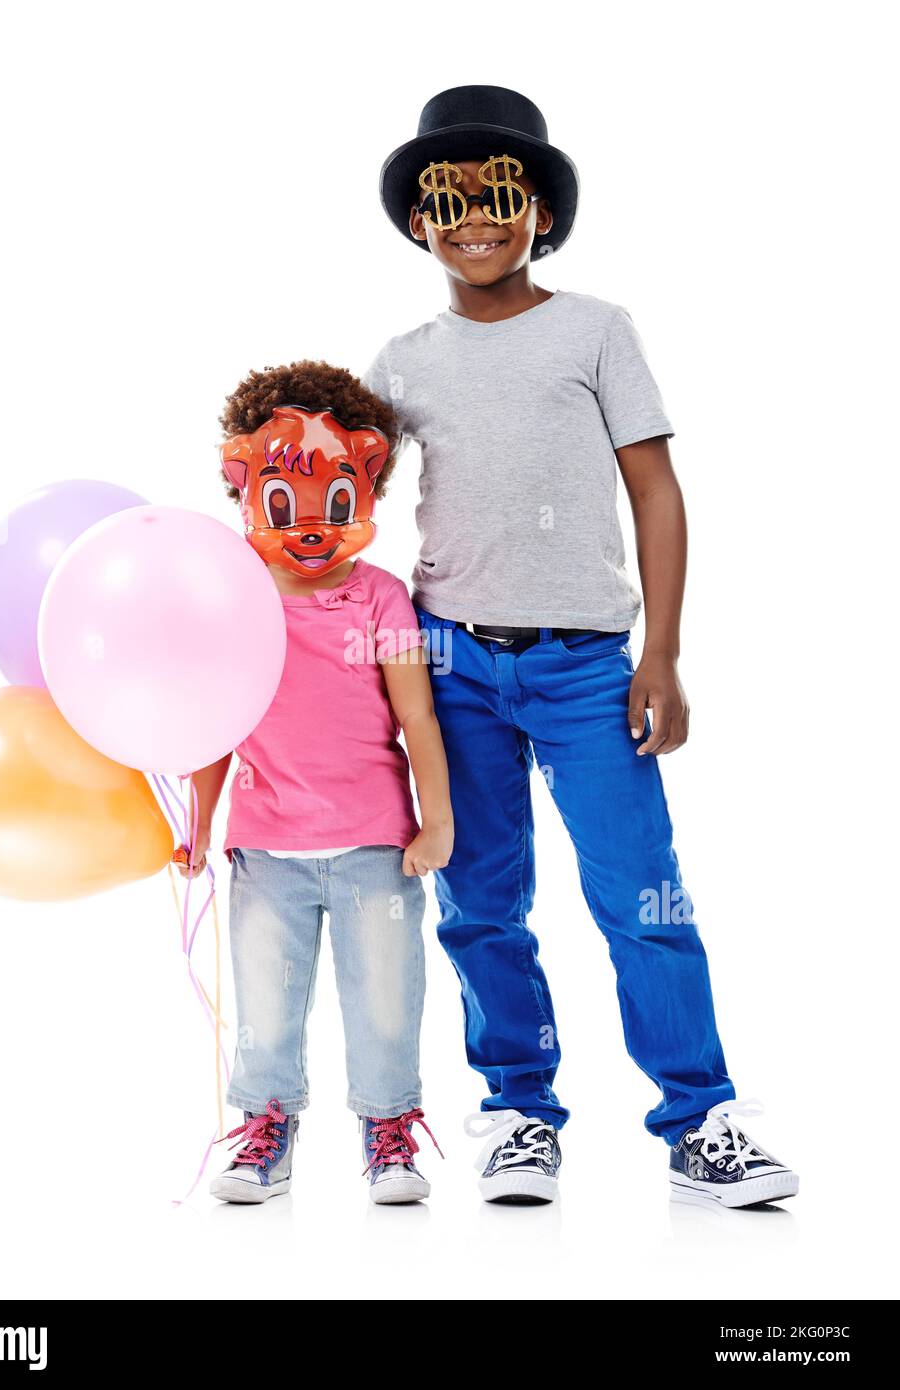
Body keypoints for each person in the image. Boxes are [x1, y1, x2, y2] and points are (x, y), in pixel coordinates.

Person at [363, 84, 799, 1207]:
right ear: (420, 221)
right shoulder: (401, 360)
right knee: (479, 897)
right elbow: (339, 497)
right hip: (450, 663)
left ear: (538, 214)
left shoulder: (594, 329)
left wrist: (661, 653)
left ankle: (698, 1116)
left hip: (581, 666)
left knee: (641, 892)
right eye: (444, 199)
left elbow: (653, 488)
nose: (472, 217)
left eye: (496, 195)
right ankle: (516, 1108)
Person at [180, 361, 452, 1205]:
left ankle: (389, 1127)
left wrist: (433, 819)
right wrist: (197, 822)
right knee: (266, 1003)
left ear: (366, 481)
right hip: (267, 848)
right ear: (245, 488)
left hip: (376, 843)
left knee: (386, 999)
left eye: (334, 501)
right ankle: (266, 1129)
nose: (308, 526)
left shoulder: (380, 598)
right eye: (283, 501)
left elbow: (417, 717)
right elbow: (212, 728)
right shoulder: (235, 598)